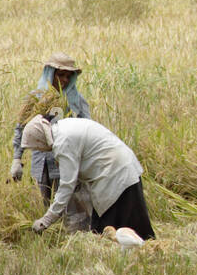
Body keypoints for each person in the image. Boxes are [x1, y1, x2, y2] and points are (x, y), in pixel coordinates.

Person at [20, 114, 156, 239]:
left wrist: (46, 220)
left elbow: (67, 185)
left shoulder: (63, 142)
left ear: (40, 139)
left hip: (115, 175)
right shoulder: (64, 128)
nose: (40, 150)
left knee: (110, 234)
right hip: (121, 169)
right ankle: (146, 254)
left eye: (37, 147)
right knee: (129, 231)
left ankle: (147, 255)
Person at [11, 52, 92, 230]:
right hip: (43, 164)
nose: (63, 80)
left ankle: (77, 242)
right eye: (60, 75)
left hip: (69, 162)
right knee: (48, 206)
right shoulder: (36, 99)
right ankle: (54, 241)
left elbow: (88, 129)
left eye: (68, 76)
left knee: (74, 210)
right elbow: (22, 128)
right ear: (50, 73)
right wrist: (17, 159)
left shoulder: (76, 101)